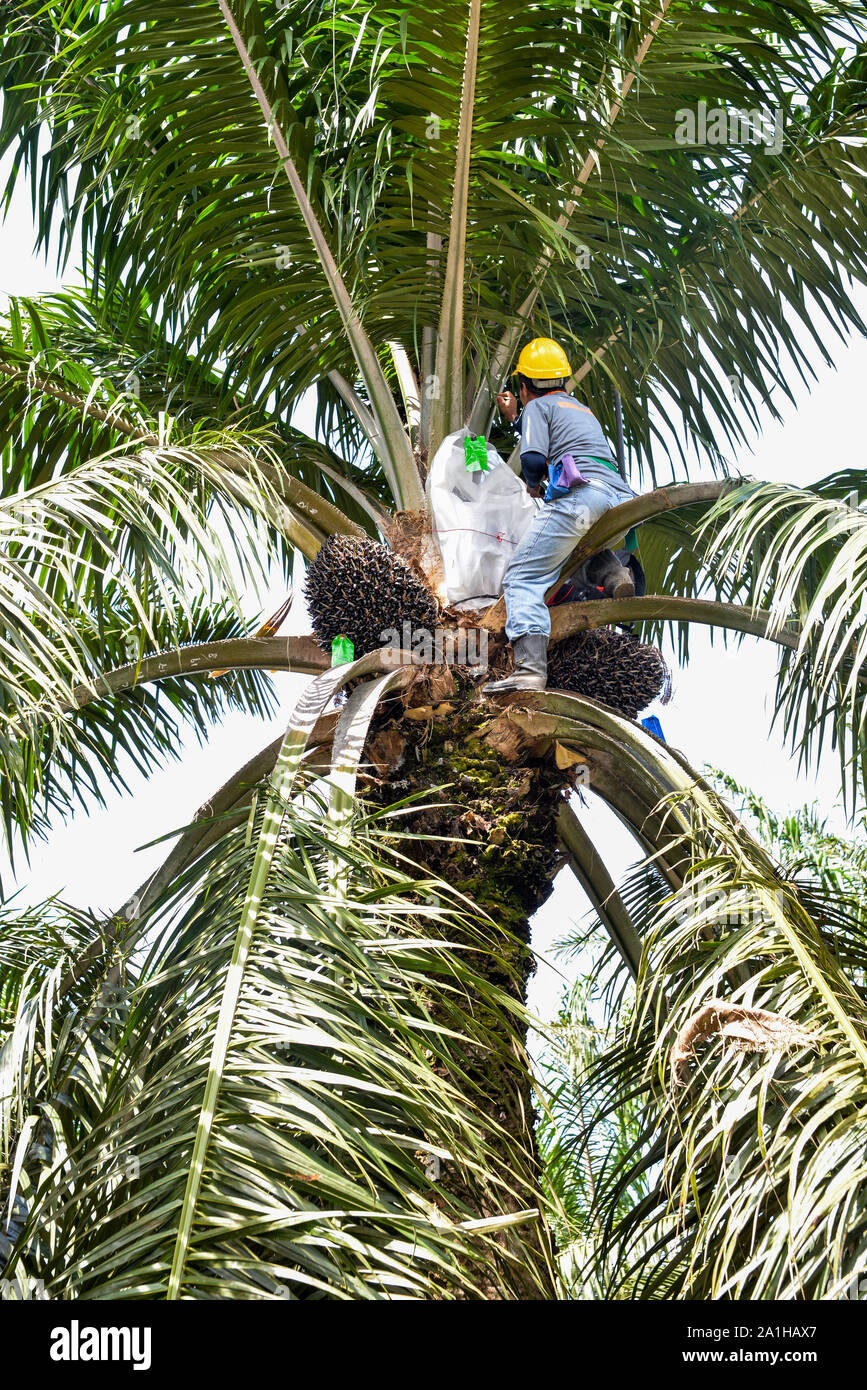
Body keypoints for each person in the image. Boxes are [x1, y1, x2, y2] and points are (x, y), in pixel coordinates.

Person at [483, 337, 636, 695]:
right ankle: (613, 573)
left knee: (522, 577)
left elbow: (534, 459)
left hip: (585, 498)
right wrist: (515, 419)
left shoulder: (538, 407)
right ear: (563, 381)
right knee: (573, 548)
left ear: (524, 387)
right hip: (618, 501)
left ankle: (530, 669)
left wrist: (534, 485)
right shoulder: (580, 409)